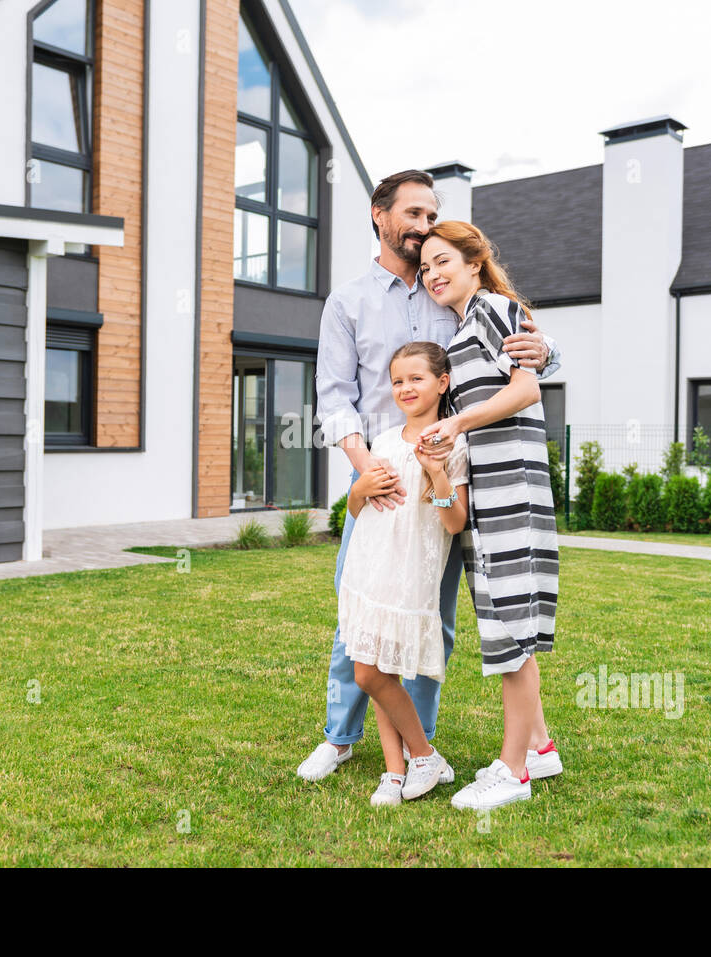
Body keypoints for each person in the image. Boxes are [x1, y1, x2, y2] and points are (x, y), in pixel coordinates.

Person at [298, 168, 562, 783]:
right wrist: (367, 473)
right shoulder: (348, 302)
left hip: (446, 477)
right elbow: (334, 398)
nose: (421, 227)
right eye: (412, 215)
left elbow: (519, 345)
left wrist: (548, 351)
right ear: (378, 215)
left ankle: (422, 749)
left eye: (430, 215)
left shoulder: (451, 292)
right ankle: (340, 737)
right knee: (356, 611)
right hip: (379, 479)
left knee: (433, 618)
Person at [417, 221, 562, 810]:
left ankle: (513, 772)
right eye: (425, 268)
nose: (433, 274)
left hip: (517, 494)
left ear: (475, 263)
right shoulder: (454, 340)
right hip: (487, 502)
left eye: (443, 260)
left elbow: (526, 389)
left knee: (511, 629)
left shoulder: (498, 310)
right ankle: (541, 750)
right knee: (502, 623)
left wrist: (456, 422)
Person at [340, 342, 470, 806]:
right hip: (370, 565)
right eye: (397, 380)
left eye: (416, 378)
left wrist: (435, 474)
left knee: (373, 675)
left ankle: (423, 754)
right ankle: (396, 771)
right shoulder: (385, 439)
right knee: (376, 668)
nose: (405, 388)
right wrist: (360, 487)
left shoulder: (452, 443)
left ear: (442, 382)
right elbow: (356, 509)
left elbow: (453, 522)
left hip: (410, 571)